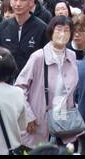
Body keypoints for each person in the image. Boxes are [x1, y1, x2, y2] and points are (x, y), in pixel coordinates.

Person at [15, 15, 80, 148]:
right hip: (40, 121)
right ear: (51, 31)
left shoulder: (72, 56)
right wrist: (28, 115)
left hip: (65, 122)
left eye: (67, 30)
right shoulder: (39, 57)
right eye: (59, 29)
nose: (62, 34)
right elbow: (20, 88)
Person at [0, 0, 48, 73]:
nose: (18, 4)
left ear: (31, 2)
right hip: (7, 81)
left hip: (32, 80)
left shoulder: (42, 28)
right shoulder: (2, 27)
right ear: (10, 1)